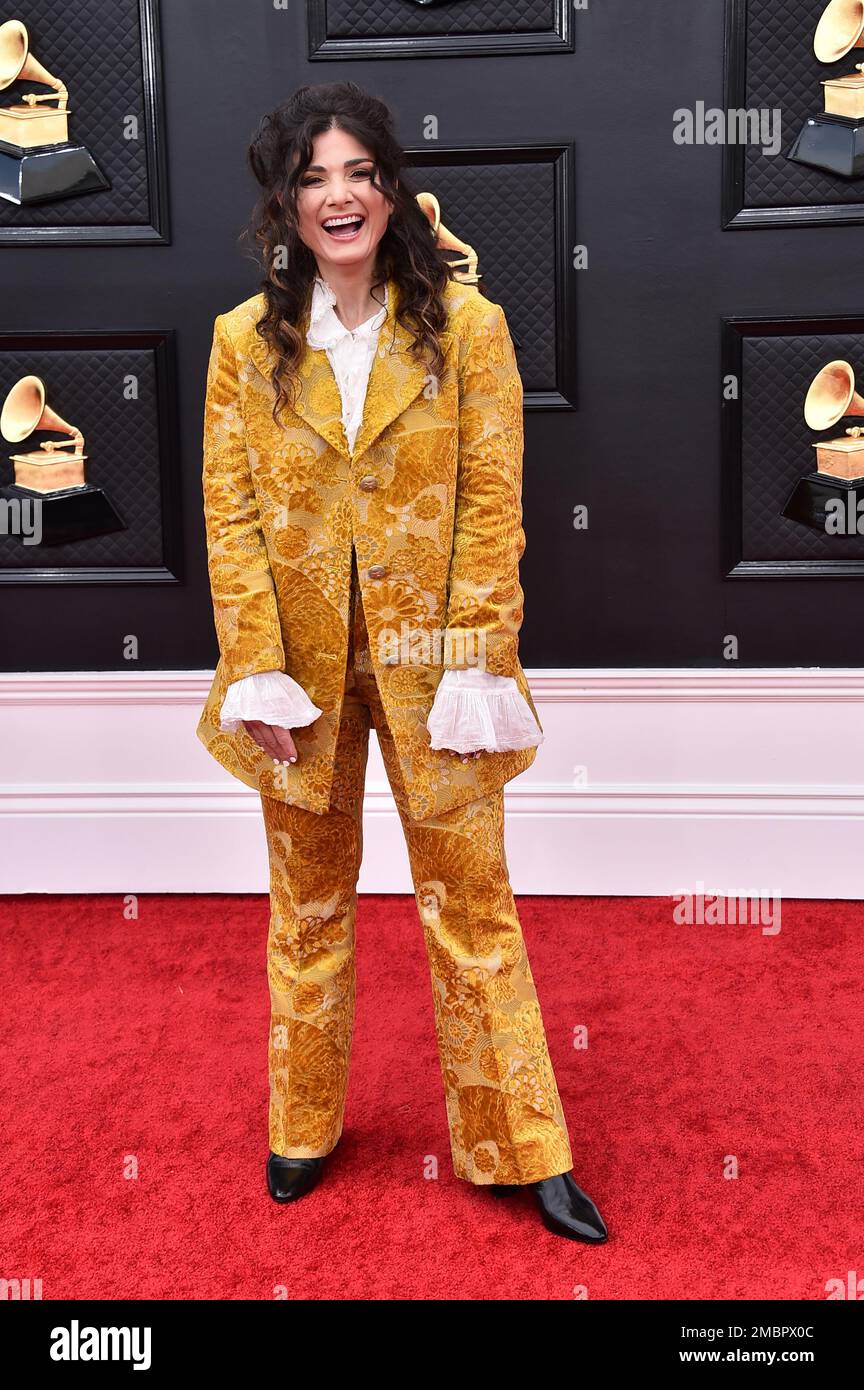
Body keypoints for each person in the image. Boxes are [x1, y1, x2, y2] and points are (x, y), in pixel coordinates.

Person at [198, 80, 607, 1244]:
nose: (339, 196)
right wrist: (256, 666)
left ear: (391, 190)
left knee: (473, 904)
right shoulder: (240, 344)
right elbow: (232, 517)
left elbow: (492, 507)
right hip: (298, 677)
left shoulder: (469, 329)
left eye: (359, 172)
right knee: (306, 907)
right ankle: (301, 1122)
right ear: (286, 204)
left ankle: (522, 1146)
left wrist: (477, 658)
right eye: (313, 177)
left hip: (443, 673)